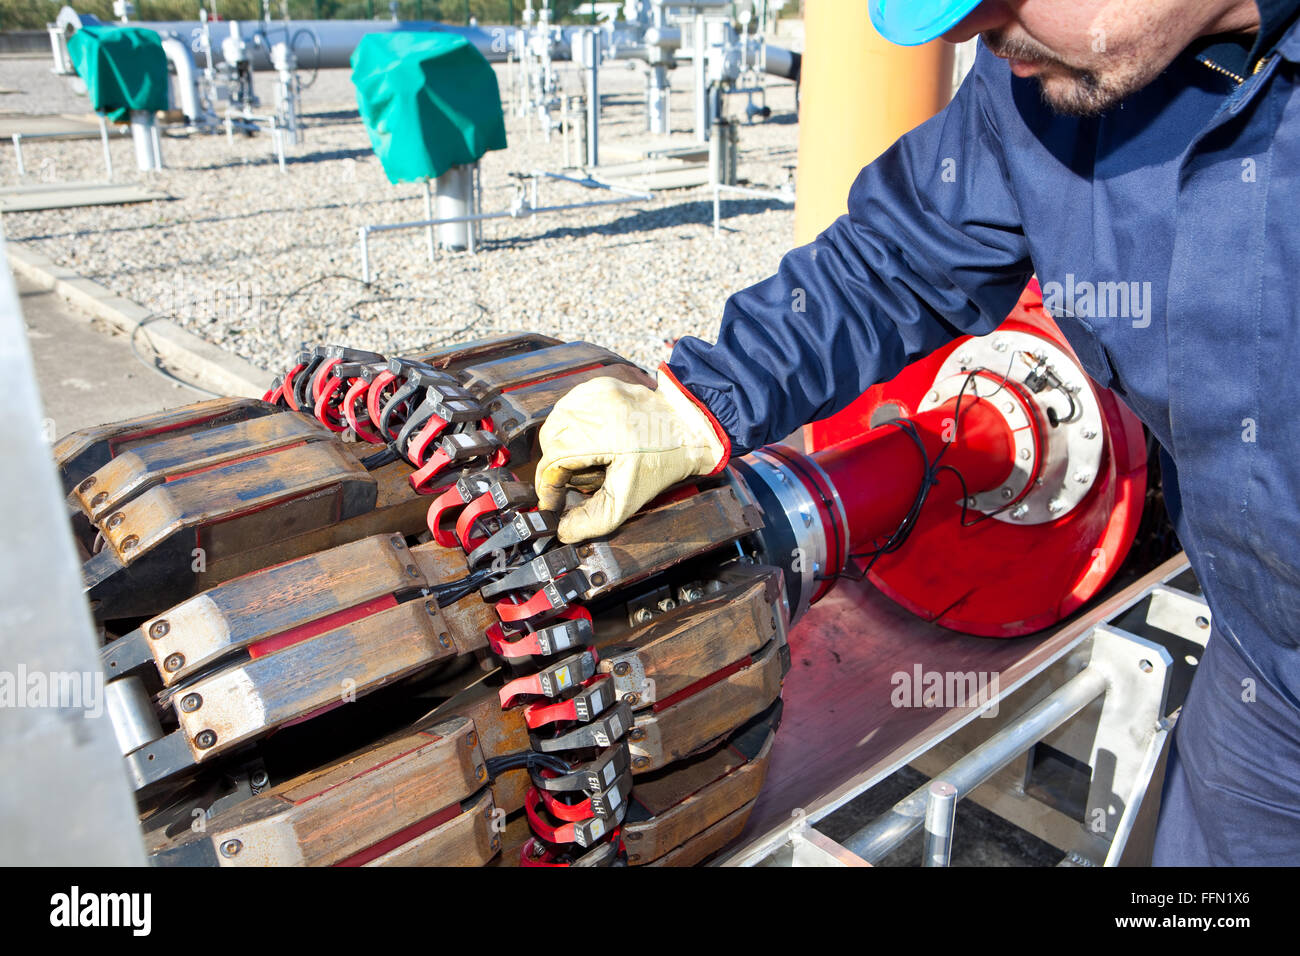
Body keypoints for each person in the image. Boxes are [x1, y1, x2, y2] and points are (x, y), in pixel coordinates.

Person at [535, 0, 1300, 865]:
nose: (964, 32)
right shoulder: (1045, 79)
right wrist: (700, 401)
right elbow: (898, 255)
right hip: (1262, 693)